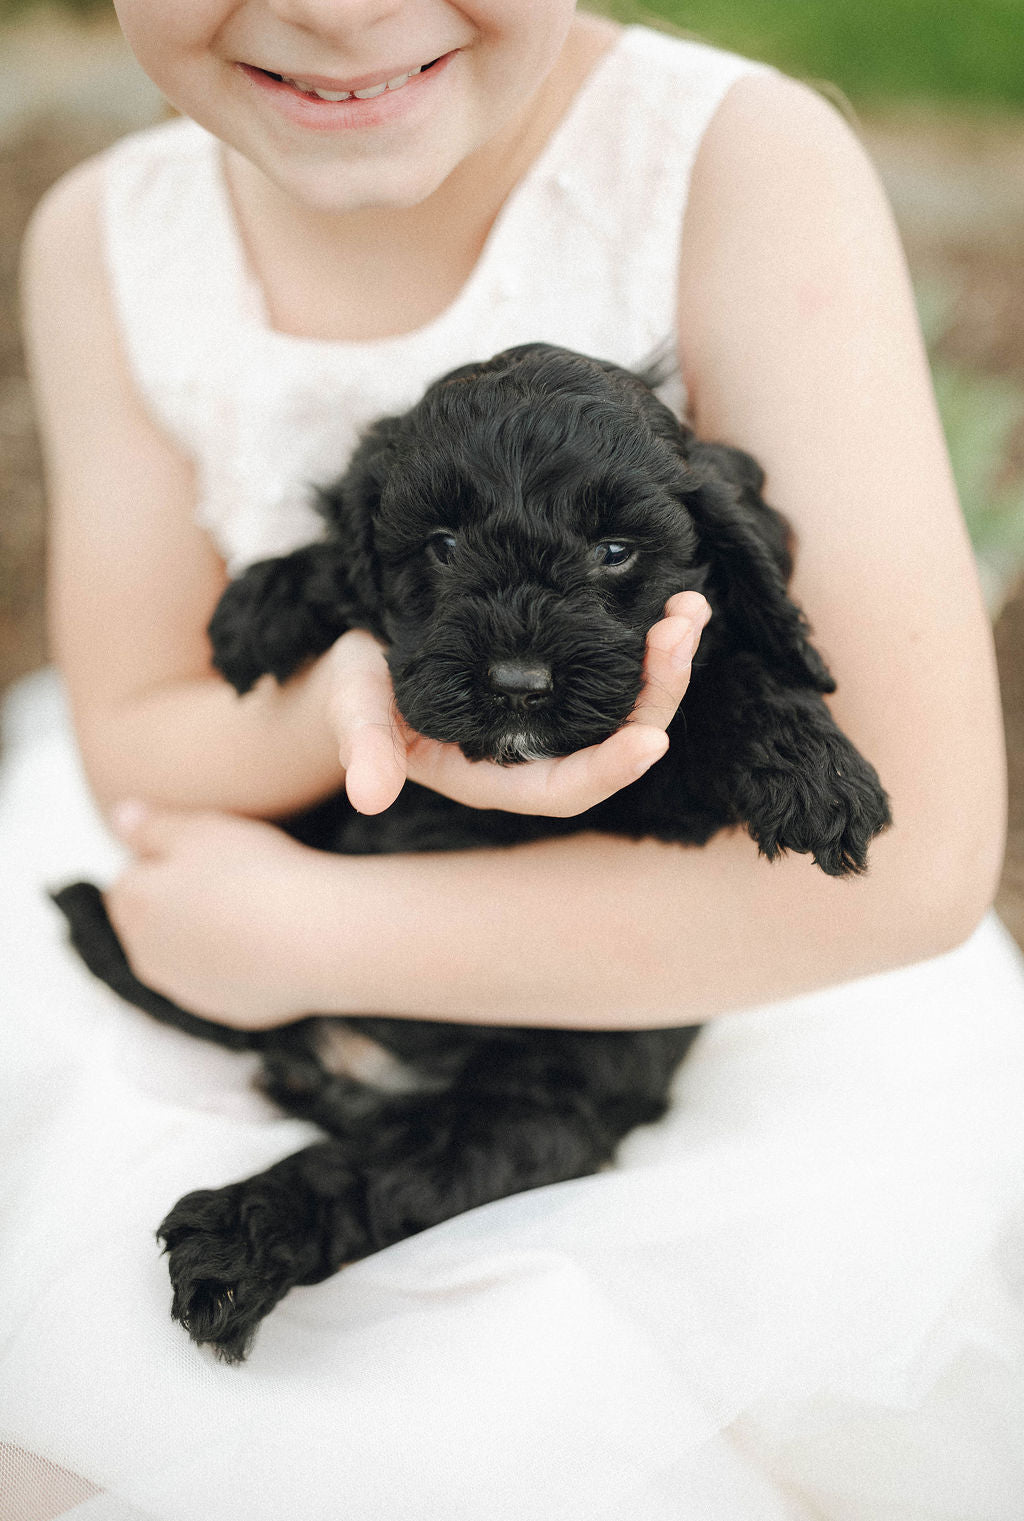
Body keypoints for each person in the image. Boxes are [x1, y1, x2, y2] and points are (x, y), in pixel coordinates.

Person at [3, 1, 1023, 1516]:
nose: (343, 10)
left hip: (718, 993)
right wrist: (363, 680)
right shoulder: (107, 239)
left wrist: (302, 932)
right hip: (243, 893)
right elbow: (147, 724)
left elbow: (909, 856)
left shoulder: (739, 169)